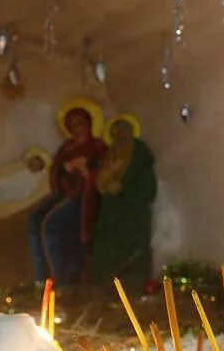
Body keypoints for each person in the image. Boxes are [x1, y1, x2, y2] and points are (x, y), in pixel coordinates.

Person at [28, 100, 106, 288]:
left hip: (84, 197)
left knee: (51, 225)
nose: (77, 129)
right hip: (65, 194)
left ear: (89, 124)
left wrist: (87, 171)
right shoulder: (66, 147)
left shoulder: (97, 146)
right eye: (72, 125)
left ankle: (59, 279)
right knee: (35, 219)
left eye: (81, 123)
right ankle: (42, 277)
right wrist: (67, 166)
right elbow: (56, 170)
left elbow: (102, 172)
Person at [89, 115, 157, 290]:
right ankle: (105, 288)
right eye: (115, 133)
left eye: (123, 133)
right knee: (107, 250)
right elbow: (100, 182)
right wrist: (108, 183)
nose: (119, 136)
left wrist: (124, 190)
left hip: (133, 214)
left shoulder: (140, 157)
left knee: (134, 252)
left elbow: (148, 188)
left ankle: (133, 287)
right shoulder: (111, 154)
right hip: (111, 215)